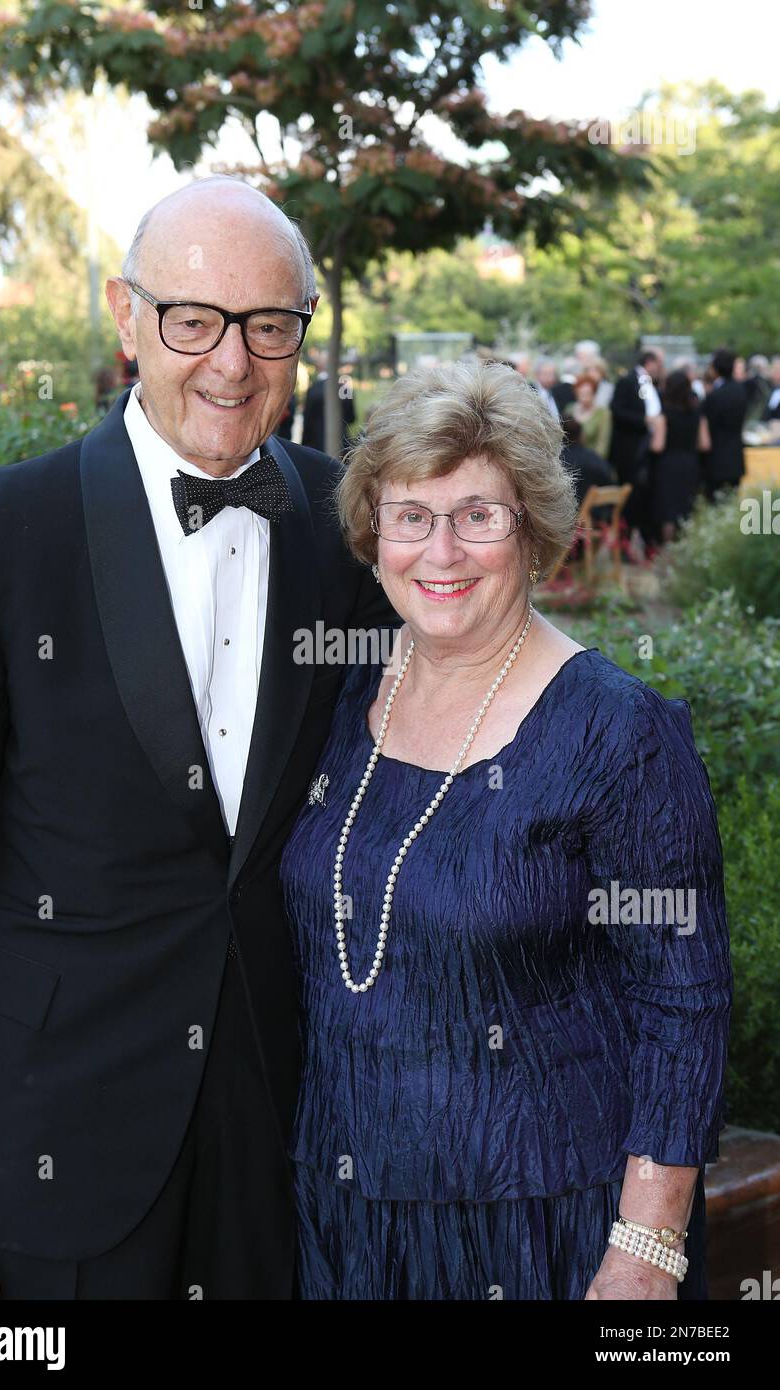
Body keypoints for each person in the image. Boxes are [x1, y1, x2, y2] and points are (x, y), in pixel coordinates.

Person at [0, 175, 394, 1301]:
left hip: (275, 1122)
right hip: (49, 1126)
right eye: (194, 319)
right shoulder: (0, 529)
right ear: (130, 321)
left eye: (269, 326)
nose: (231, 362)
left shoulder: (346, 528)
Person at [280, 359, 731, 1301]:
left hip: (540, 1226)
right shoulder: (341, 689)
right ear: (374, 530)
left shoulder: (619, 733)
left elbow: (684, 1006)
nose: (439, 551)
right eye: (411, 515)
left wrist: (647, 1249)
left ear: (532, 532)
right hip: (343, 1212)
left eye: (477, 516)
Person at [609, 349, 664, 548]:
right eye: (659, 363)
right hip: (630, 451)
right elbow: (616, 410)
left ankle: (642, 539)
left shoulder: (649, 383)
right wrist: (644, 420)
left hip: (646, 450)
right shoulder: (627, 381)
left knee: (643, 496)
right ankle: (625, 541)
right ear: (650, 362)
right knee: (630, 498)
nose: (661, 368)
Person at [649, 370, 711, 543]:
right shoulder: (698, 414)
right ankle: (686, 550)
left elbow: (657, 446)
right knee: (686, 507)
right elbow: (705, 444)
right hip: (690, 463)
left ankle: (668, 553)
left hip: (668, 464)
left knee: (669, 511)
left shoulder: (664, 415)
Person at [702, 348, 749, 500]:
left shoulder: (715, 396)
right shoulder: (740, 390)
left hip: (716, 461)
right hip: (735, 458)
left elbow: (709, 426)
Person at [301, 348, 356, 456]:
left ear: (318, 366)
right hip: (341, 443)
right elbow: (351, 417)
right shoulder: (344, 388)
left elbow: (307, 420)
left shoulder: (313, 389)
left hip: (316, 445)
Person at [560, 414, 613, 504]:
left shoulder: (557, 463)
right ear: (581, 435)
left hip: (570, 515)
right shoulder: (596, 459)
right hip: (600, 515)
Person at [569, 372, 611, 457]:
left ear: (594, 394)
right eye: (581, 394)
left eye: (588, 394)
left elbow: (603, 445)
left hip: (592, 461)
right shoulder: (569, 409)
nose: (584, 397)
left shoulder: (603, 413)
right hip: (570, 460)